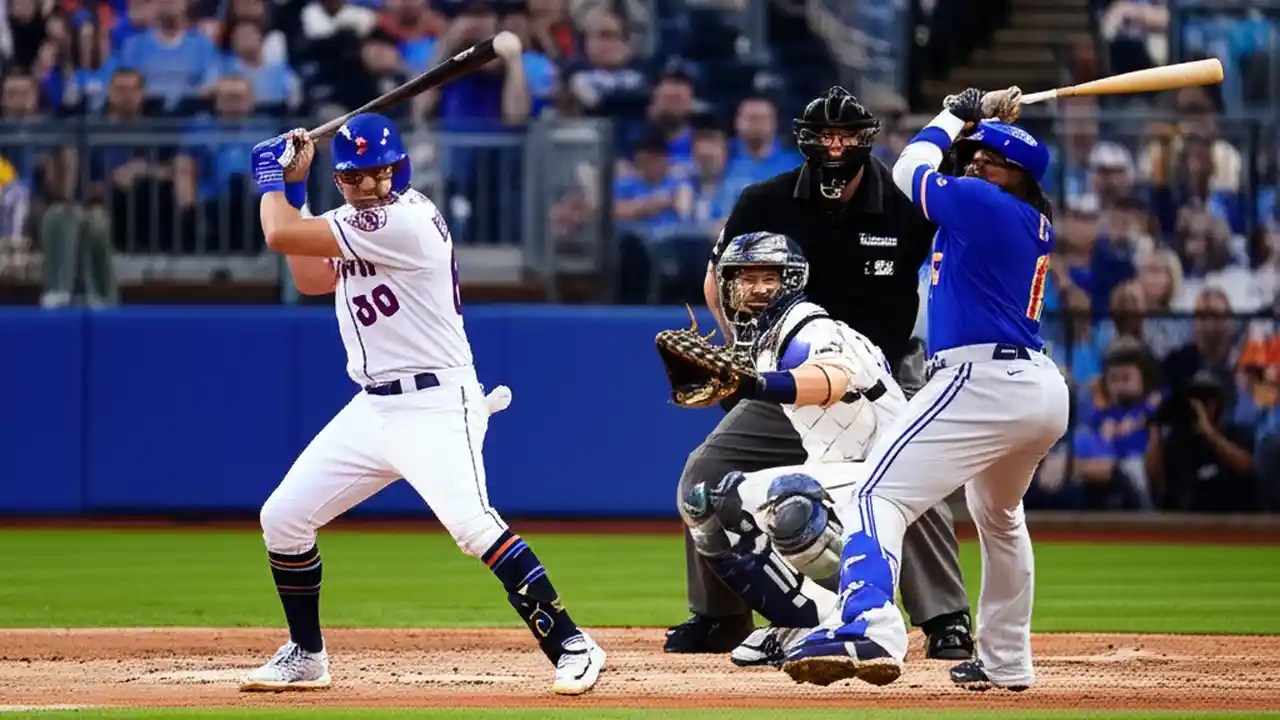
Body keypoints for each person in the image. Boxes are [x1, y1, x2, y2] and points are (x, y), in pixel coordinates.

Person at [239, 114, 605, 695]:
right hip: (373, 406)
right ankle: (307, 654)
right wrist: (291, 188)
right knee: (282, 519)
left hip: (436, 403)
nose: (368, 185)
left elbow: (281, 236)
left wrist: (267, 178)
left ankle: (573, 644)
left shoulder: (403, 220)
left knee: (471, 526)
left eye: (377, 173)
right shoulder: (352, 220)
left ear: (397, 170)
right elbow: (310, 277)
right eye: (356, 176)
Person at [669, 86, 974, 663]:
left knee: (914, 476)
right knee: (703, 477)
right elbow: (718, 283)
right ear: (805, 142)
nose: (835, 146)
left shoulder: (906, 200)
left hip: (883, 370)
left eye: (846, 136)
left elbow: (956, 264)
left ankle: (945, 617)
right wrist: (745, 358)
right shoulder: (764, 200)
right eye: (824, 137)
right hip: (787, 375)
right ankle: (719, 616)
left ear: (866, 140)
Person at [781, 88, 1070, 691]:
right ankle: (1007, 661)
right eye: (974, 157)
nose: (973, 165)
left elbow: (911, 167)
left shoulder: (986, 204)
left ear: (1016, 176)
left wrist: (955, 112)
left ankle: (871, 626)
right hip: (1038, 389)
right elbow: (952, 161)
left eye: (989, 160)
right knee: (999, 515)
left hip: (981, 378)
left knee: (875, 494)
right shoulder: (1013, 213)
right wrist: (981, 125)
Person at [685, 230, 912, 667]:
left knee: (789, 503)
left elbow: (831, 379)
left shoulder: (809, 325)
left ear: (792, 281)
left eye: (768, 278)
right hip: (839, 467)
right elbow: (712, 290)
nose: (755, 289)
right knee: (708, 503)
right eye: (745, 279)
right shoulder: (762, 337)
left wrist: (755, 385)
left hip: (884, 469)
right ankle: (804, 620)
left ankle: (860, 619)